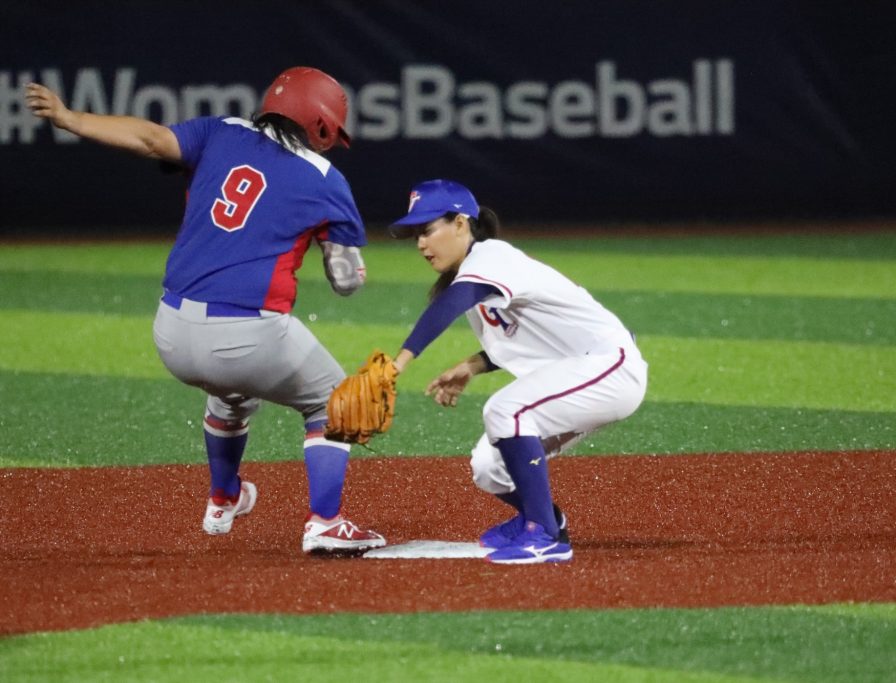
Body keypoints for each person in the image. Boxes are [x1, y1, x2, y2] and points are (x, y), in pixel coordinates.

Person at [25, 67, 385, 555]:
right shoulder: (325, 178)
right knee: (337, 402)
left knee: (230, 395)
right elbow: (345, 281)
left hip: (171, 331)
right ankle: (325, 522)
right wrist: (344, 259)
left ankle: (223, 497)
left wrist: (71, 119)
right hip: (247, 337)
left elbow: (150, 139)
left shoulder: (222, 131)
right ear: (321, 125)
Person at [388, 179, 648, 564]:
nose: (421, 244)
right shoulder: (476, 274)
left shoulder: (491, 257)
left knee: (506, 409)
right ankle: (545, 518)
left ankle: (544, 536)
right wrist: (473, 365)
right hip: (583, 370)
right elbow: (527, 338)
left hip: (611, 366)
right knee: (489, 467)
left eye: (427, 230)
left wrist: (398, 364)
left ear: (460, 223)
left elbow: (447, 307)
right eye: (416, 236)